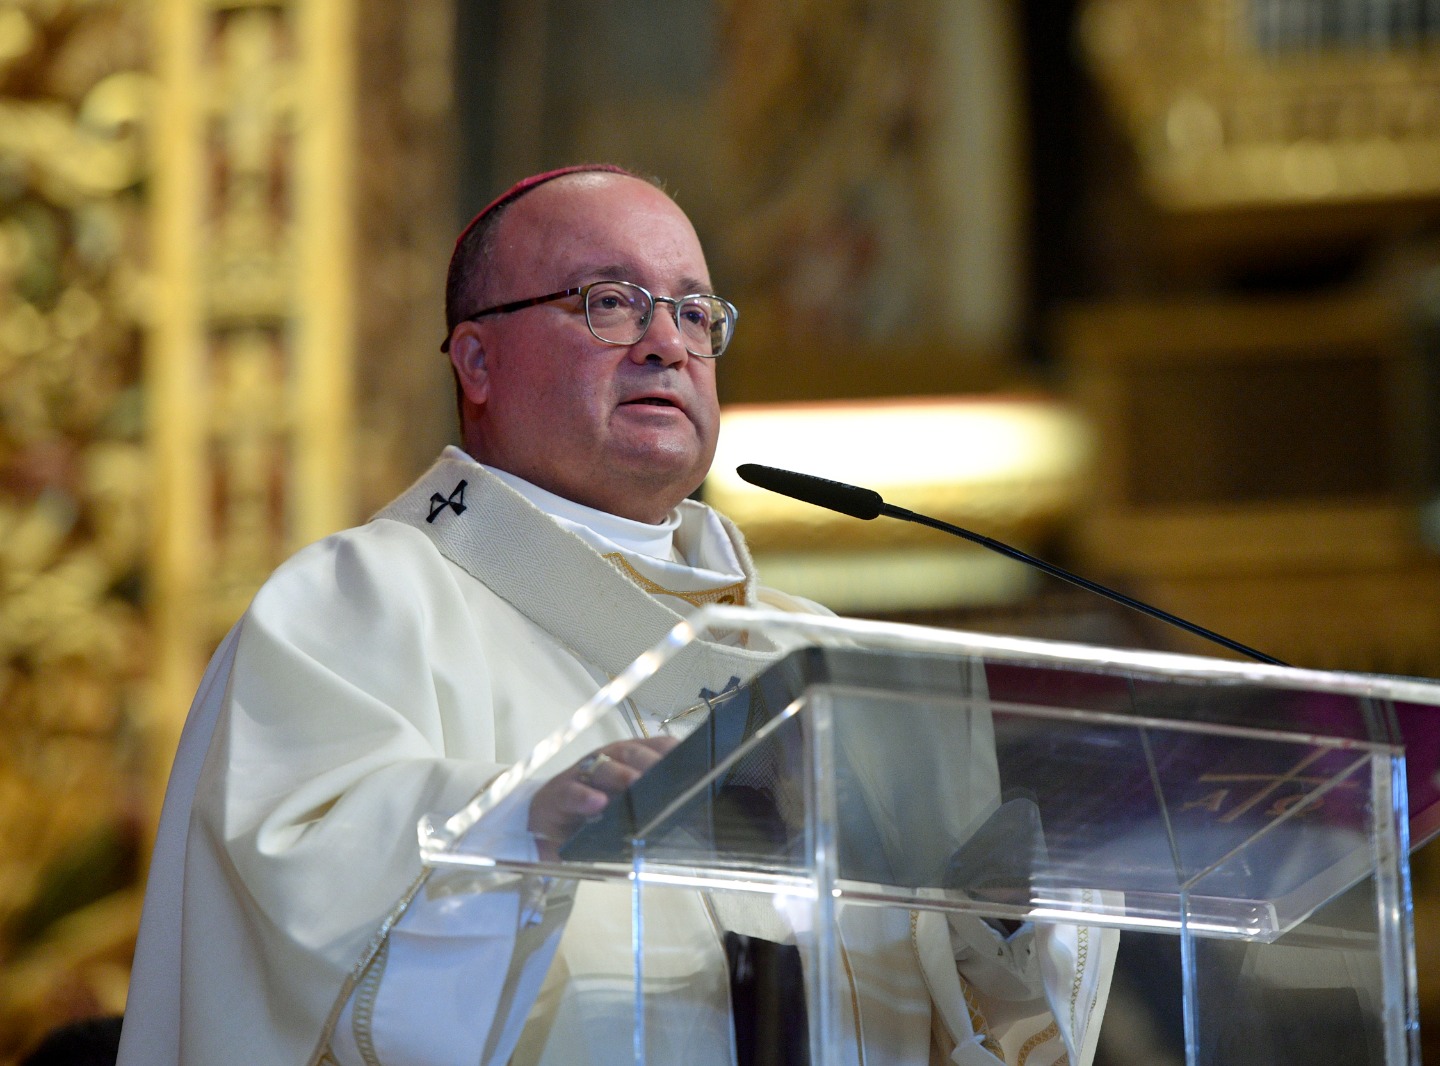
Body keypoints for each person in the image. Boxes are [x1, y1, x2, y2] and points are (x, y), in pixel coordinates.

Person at [116, 165, 1116, 1065]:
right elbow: (291, 898)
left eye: (694, 312)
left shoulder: (821, 653)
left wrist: (1012, 916)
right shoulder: (360, 601)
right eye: (609, 304)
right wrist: (525, 825)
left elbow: (956, 1014)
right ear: (476, 361)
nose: (666, 345)